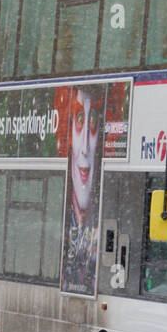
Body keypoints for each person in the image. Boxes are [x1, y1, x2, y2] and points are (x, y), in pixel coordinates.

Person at [61, 86, 104, 294]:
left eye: (94, 123)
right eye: (79, 121)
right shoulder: (60, 216)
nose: (85, 148)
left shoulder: (102, 224)